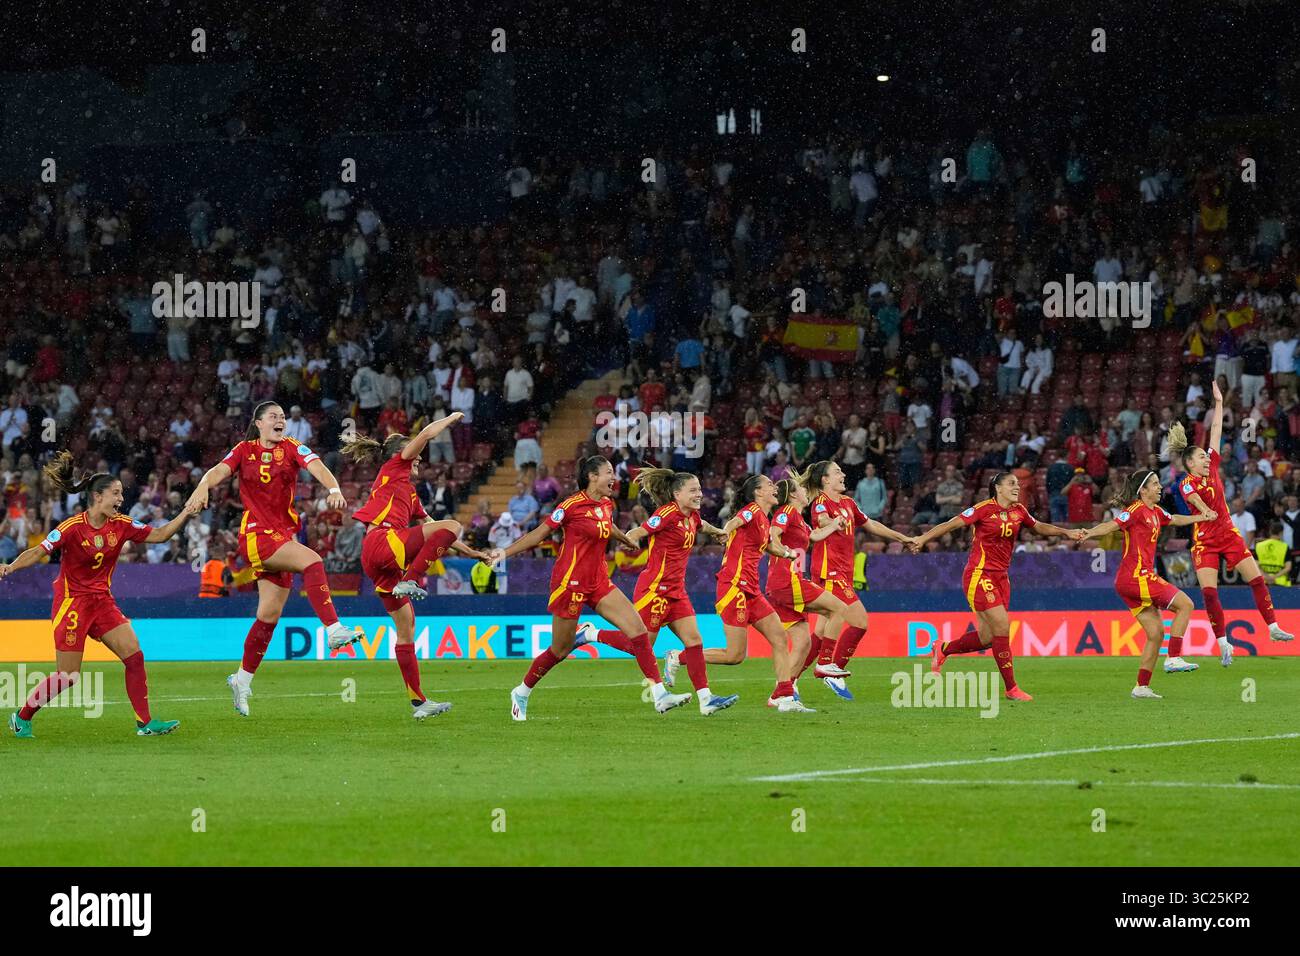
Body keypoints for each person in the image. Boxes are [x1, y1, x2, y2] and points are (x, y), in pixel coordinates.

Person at [186, 401, 367, 717]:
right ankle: (334, 628)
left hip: (282, 536)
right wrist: (203, 485)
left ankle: (241, 680)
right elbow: (218, 470)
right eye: (274, 416)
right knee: (312, 562)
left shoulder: (293, 447)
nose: (280, 420)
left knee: (268, 616)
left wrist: (334, 487)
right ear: (258, 423)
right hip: (256, 534)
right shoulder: (245, 450)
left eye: (283, 417)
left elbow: (317, 466)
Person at [3, 451, 197, 738]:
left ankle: (145, 724)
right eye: (115, 493)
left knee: (134, 657)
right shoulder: (72, 527)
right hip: (73, 605)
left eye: (121, 493)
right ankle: (22, 716)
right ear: (97, 497)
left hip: (102, 602)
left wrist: (186, 512)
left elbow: (160, 535)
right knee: (68, 676)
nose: (121, 499)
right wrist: (9, 567)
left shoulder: (122, 525)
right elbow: (37, 551)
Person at [487, 456, 692, 720]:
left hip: (598, 581)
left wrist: (624, 539)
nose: (613, 477)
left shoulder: (607, 504)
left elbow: (607, 526)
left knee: (639, 631)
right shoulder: (571, 506)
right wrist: (503, 553)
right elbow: (539, 534)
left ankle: (660, 696)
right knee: (559, 650)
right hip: (570, 584)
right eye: (608, 472)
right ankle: (522, 691)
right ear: (592, 476)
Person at [342, 413, 488, 719]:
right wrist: (451, 418)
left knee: (406, 628)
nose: (418, 459)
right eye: (415, 454)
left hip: (378, 560)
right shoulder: (394, 466)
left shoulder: (408, 493)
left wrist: (470, 553)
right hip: (384, 542)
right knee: (453, 524)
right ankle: (412, 578)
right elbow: (425, 436)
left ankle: (418, 703)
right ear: (402, 454)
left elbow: (437, 530)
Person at [909, 472, 1081, 700]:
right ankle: (1012, 689)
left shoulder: (1019, 510)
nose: (1017, 487)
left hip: (1001, 578)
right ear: (997, 488)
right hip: (980, 575)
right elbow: (952, 524)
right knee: (1002, 626)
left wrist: (1066, 531)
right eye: (1011, 483)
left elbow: (1038, 526)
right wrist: (922, 538)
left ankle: (943, 649)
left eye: (1017, 484)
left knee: (987, 637)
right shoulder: (983, 509)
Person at [584, 468, 739, 716]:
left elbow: (702, 525)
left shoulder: (693, 516)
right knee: (640, 645)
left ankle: (706, 699)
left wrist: (718, 532)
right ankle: (591, 634)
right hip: (654, 589)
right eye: (693, 490)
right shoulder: (667, 514)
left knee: (694, 641)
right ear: (677, 494)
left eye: (699, 489)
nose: (699, 494)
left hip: (677, 591)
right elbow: (641, 531)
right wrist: (629, 539)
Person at [1169, 381, 1294, 666]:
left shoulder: (1212, 465)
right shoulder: (1185, 483)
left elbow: (1216, 431)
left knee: (1257, 579)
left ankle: (1273, 627)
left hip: (1227, 533)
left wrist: (1219, 402)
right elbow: (1193, 498)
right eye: (1200, 457)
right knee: (1210, 593)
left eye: (1204, 456)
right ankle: (1224, 644)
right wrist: (1204, 510)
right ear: (1189, 464)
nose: (1206, 457)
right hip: (1204, 541)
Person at [1079, 470, 1216, 696]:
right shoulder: (1135, 511)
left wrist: (1202, 517)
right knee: (1186, 605)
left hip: (1129, 581)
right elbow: (1111, 525)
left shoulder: (1156, 511)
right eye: (1155, 484)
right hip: (1136, 577)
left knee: (1155, 633)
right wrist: (1089, 533)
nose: (1160, 487)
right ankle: (1173, 658)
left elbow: (1175, 519)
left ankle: (1141, 686)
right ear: (1143, 490)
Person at [804, 460, 914, 699]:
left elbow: (871, 524)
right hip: (829, 573)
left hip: (842, 573)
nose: (843, 475)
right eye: (837, 472)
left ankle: (787, 682)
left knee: (821, 633)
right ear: (825, 480)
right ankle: (833, 671)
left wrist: (901, 537)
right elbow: (822, 521)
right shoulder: (821, 503)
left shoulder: (848, 503)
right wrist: (833, 523)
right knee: (860, 621)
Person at [707, 473, 815, 712]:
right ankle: (681, 657)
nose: (774, 487)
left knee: (779, 638)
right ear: (758, 492)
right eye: (769, 484)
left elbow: (770, 545)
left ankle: (784, 698)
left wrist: (786, 553)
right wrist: (725, 531)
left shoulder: (765, 519)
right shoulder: (753, 510)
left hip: (752, 590)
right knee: (734, 656)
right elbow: (735, 520)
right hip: (734, 586)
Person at [768, 475, 872, 703]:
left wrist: (835, 525)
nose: (807, 492)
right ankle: (825, 664)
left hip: (783, 584)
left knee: (803, 642)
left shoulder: (799, 520)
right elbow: (773, 533)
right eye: (802, 490)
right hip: (788, 580)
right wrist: (783, 551)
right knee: (838, 609)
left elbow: (814, 535)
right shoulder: (786, 512)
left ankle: (781, 694)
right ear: (794, 495)